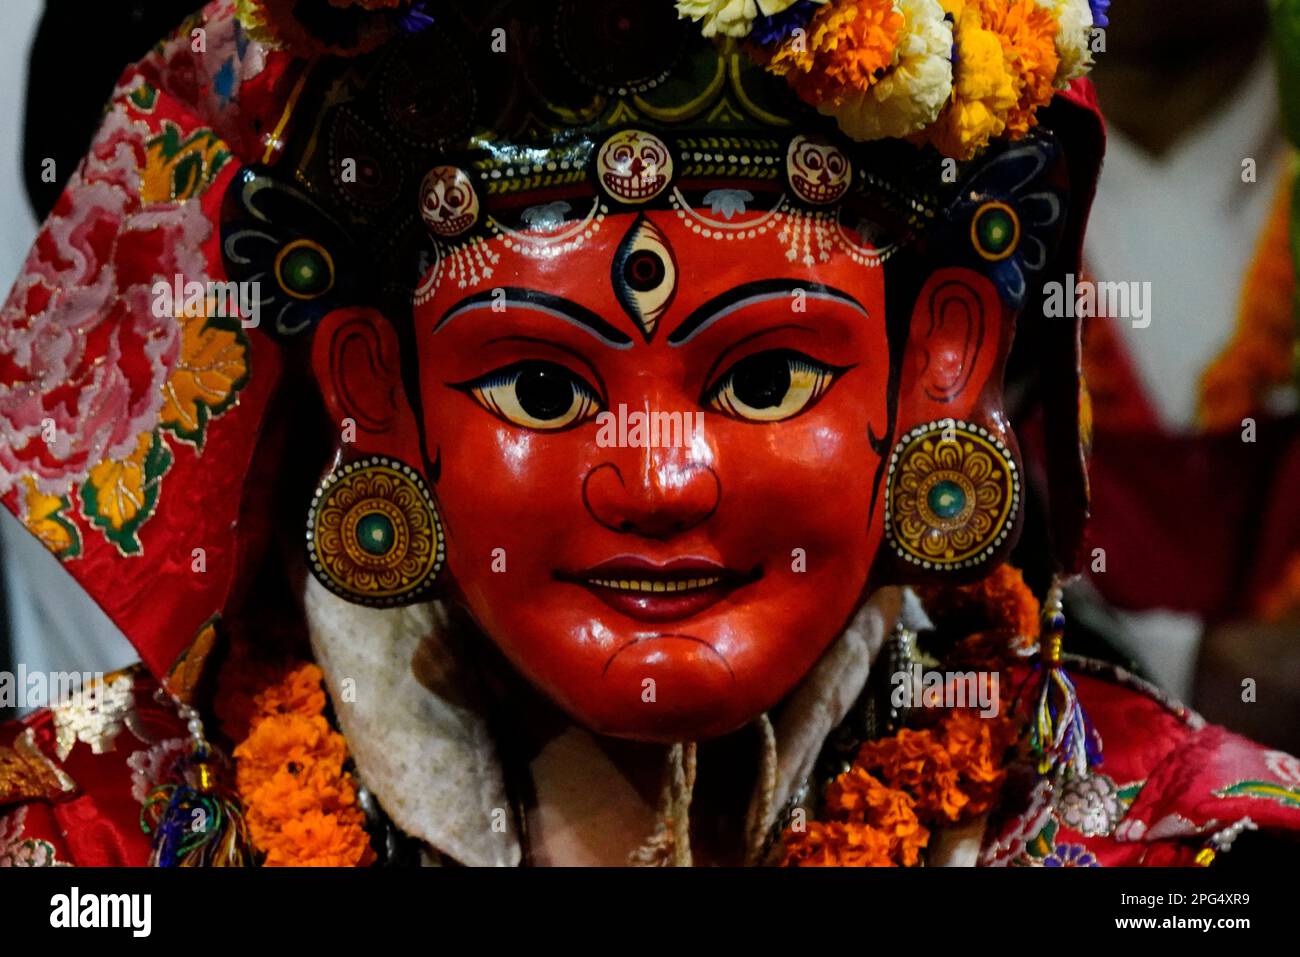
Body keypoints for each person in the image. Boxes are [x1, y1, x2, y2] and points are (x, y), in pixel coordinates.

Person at [1, 0, 1297, 868]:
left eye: (770, 374)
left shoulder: (1192, 845)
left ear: (938, 367)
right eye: (545, 390)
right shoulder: (80, 841)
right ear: (375, 397)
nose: (663, 477)